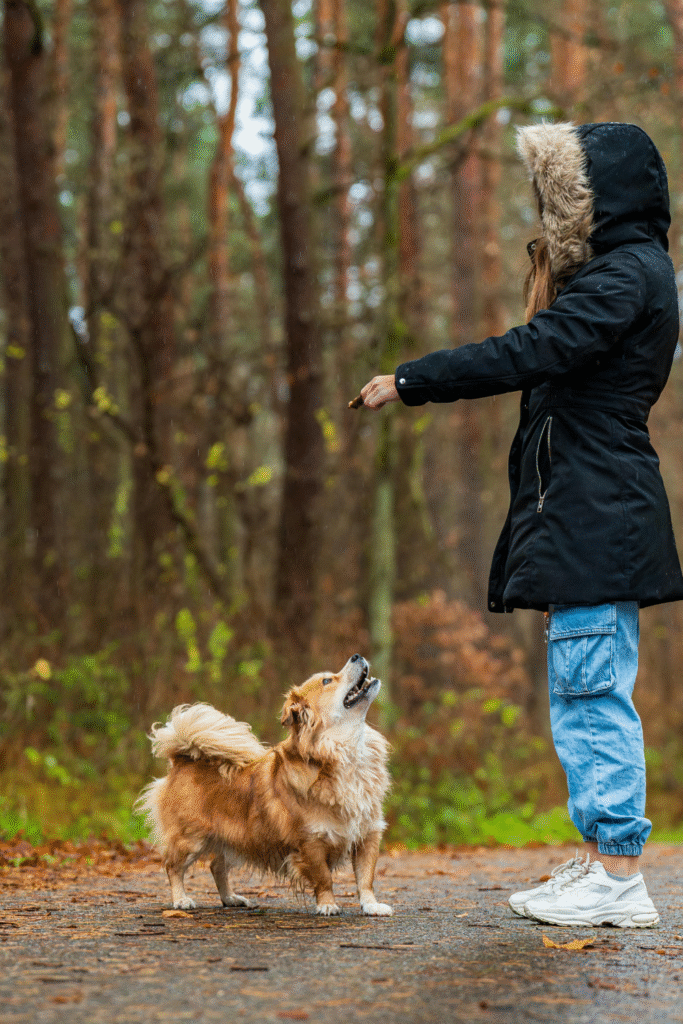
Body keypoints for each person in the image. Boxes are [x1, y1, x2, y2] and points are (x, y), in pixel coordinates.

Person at [359, 121, 683, 928]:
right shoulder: (626, 275)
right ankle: (602, 861)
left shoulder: (627, 277)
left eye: (557, 197)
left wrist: (412, 378)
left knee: (590, 695)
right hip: (589, 516)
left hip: (596, 520)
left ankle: (617, 875)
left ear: (594, 199)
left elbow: (526, 352)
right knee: (581, 694)